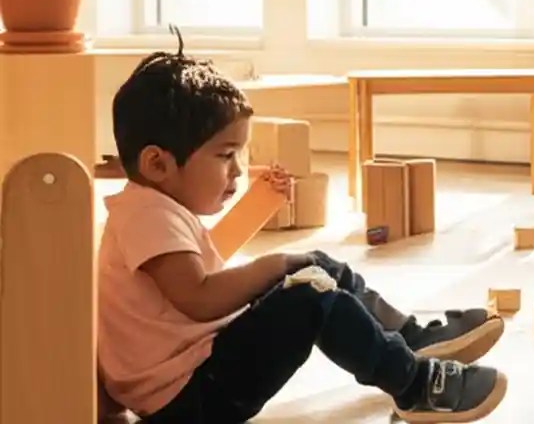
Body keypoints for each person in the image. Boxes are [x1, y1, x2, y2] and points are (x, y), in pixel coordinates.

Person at [97, 47, 508, 422]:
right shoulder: (146, 215)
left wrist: (259, 207)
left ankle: (409, 339)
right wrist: (274, 265)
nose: (238, 170)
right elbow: (200, 297)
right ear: (157, 164)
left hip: (197, 378)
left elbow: (203, 261)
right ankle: (414, 384)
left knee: (316, 266)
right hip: (190, 400)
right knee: (312, 299)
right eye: (225, 156)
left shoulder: (153, 208)